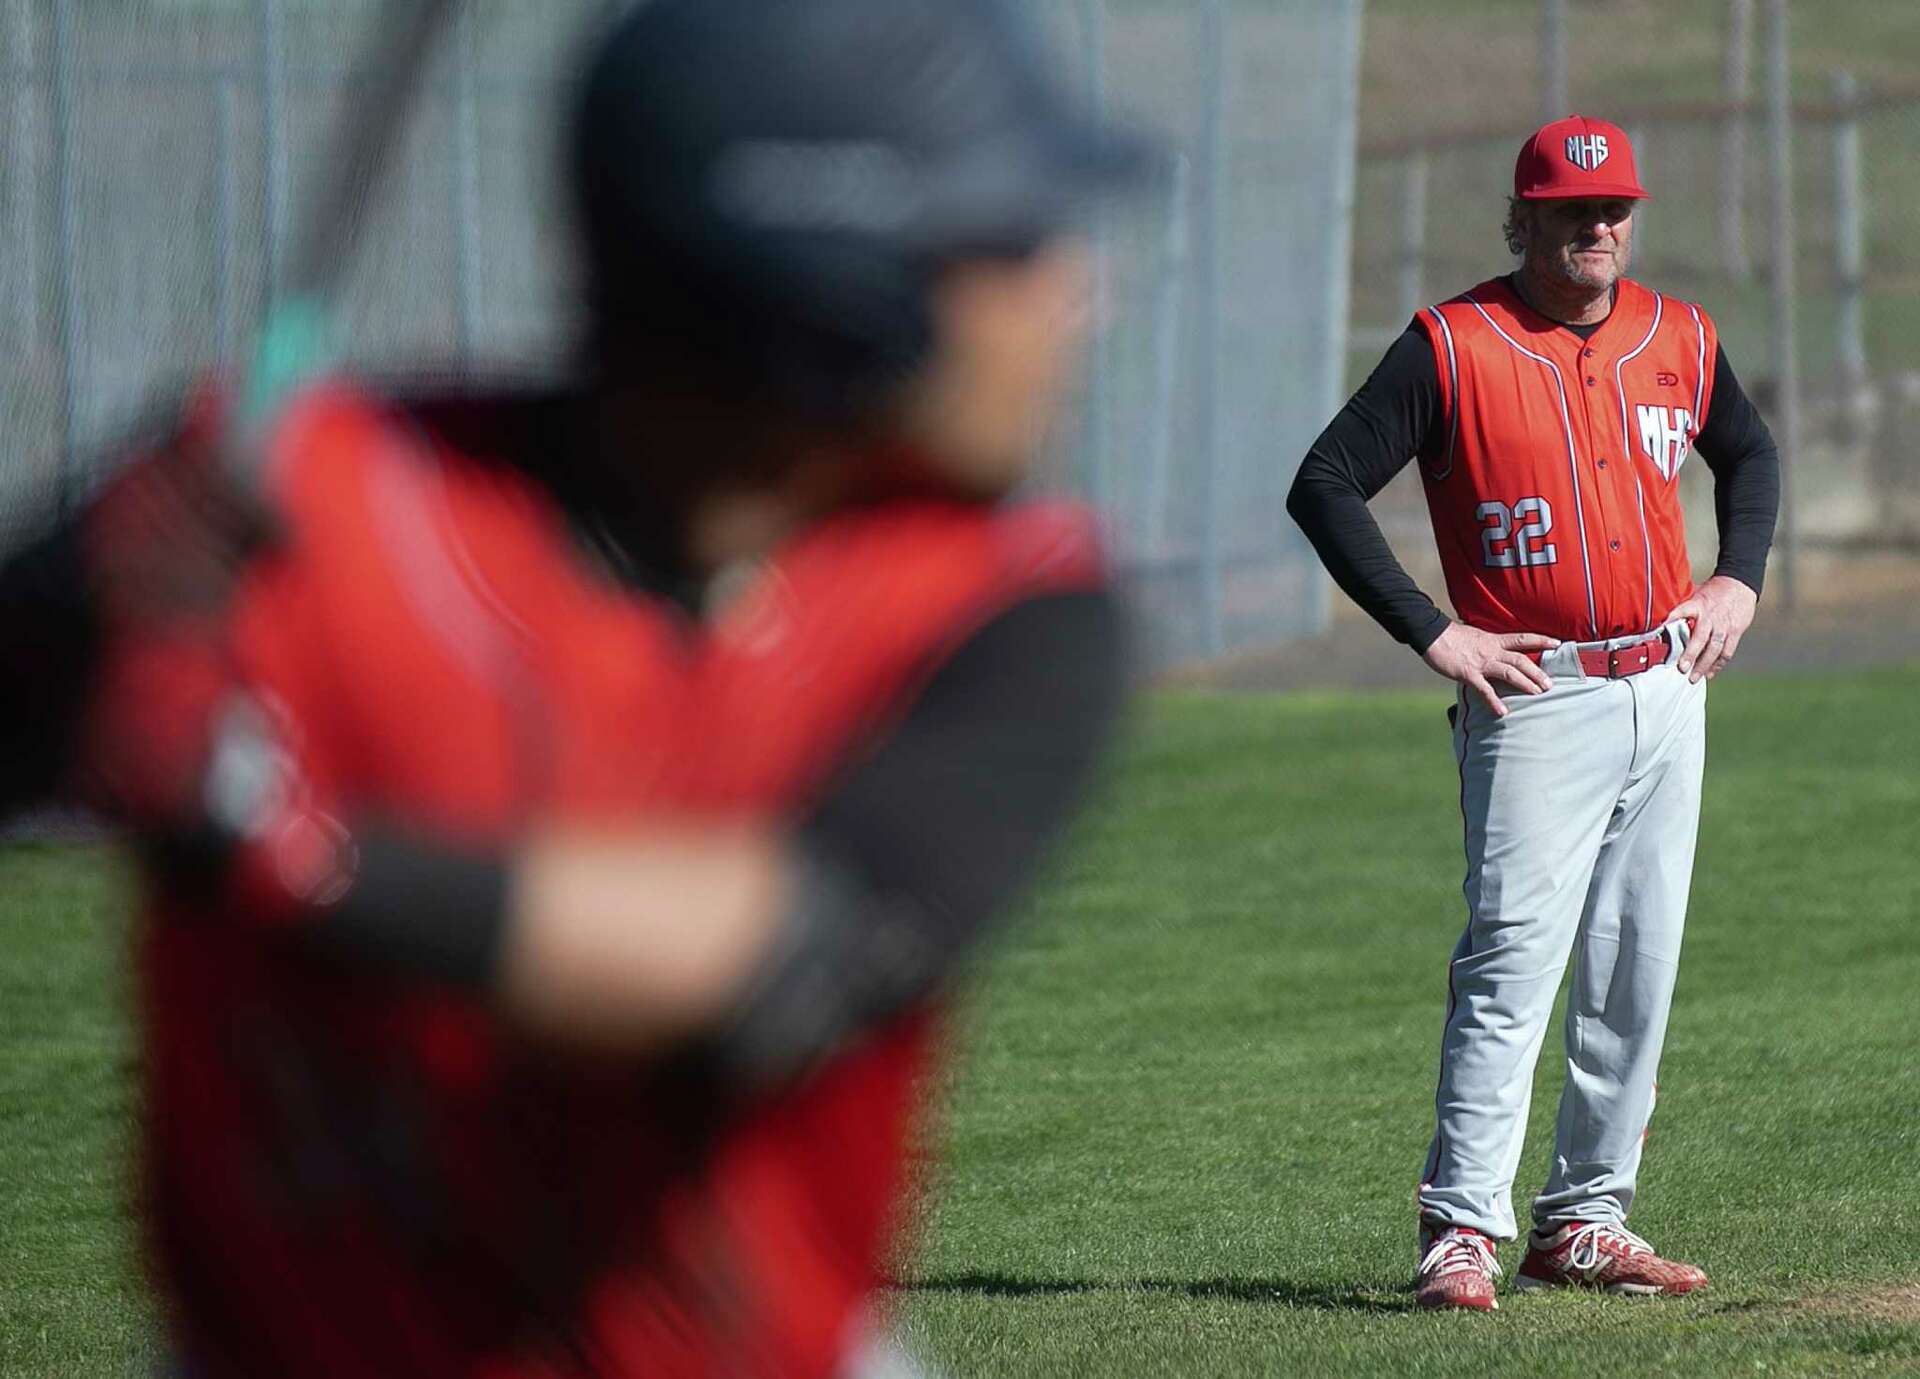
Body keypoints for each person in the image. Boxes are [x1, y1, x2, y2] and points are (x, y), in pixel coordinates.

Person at [0, 0, 1152, 1372]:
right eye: (1014, 239)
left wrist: (268, 838)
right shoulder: (292, 510)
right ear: (831, 285)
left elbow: (777, 958)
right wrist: (67, 639)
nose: (1080, 290)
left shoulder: (1013, 608)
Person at [1287, 115, 1778, 1311]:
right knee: (1510, 965)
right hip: (1536, 691)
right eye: (1571, 210)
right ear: (1526, 219)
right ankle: (1461, 1228)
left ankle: (1586, 1219)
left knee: (1636, 966)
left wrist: (1737, 574)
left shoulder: (1681, 335)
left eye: (1613, 209)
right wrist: (1432, 628)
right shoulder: (1452, 345)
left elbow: (1751, 456)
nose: (1598, 227)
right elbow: (1326, 483)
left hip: (1668, 680)